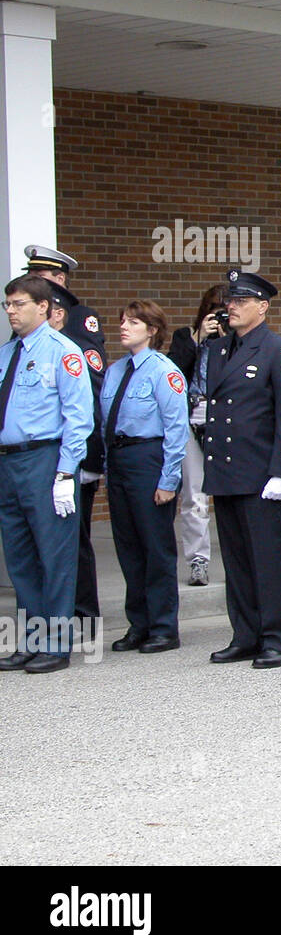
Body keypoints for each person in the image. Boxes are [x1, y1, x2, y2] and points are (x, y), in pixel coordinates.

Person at [202, 269, 281, 668]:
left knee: (266, 562)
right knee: (237, 562)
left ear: (262, 307)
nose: (232, 306)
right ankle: (245, 634)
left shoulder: (279, 350)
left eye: (241, 301)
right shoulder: (218, 350)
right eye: (230, 300)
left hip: (261, 474)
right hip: (228, 472)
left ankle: (277, 638)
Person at [0, 274, 94, 673]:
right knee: (20, 557)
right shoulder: (6, 354)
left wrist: (65, 473)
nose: (10, 311)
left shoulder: (63, 352)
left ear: (43, 307)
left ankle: (56, 644)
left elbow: (78, 417)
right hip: (8, 461)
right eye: (7, 305)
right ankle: (32, 640)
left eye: (18, 304)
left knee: (53, 555)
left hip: (45, 459)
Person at [22, 245, 105, 626]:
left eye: (43, 278)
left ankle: (83, 614)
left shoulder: (76, 319)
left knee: (75, 539)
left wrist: (86, 461)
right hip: (34, 457)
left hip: (72, 455)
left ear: (59, 282)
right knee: (37, 544)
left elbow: (86, 391)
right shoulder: (22, 329)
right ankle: (49, 618)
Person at [102, 300, 189, 654]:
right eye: (122, 320)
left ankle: (164, 627)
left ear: (152, 330)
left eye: (133, 322)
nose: (124, 326)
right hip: (120, 460)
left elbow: (176, 429)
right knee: (129, 547)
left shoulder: (163, 371)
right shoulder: (115, 371)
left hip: (148, 459)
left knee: (155, 547)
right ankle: (139, 623)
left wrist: (168, 480)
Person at [166, 285, 225, 587]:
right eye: (214, 307)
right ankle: (198, 560)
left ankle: (235, 557)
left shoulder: (237, 341)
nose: (219, 314)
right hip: (192, 418)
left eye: (225, 308)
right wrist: (199, 337)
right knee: (194, 495)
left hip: (225, 423)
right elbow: (173, 374)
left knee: (231, 494)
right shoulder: (186, 336)